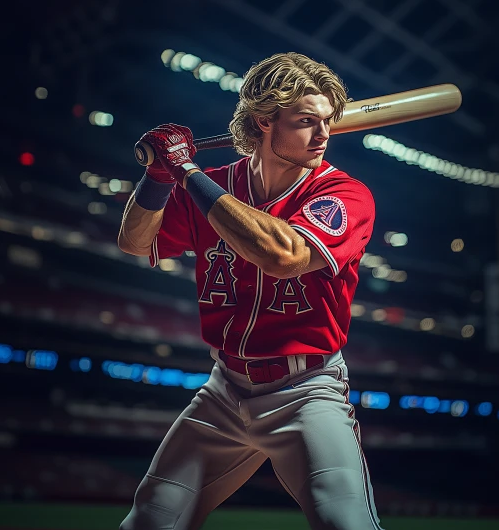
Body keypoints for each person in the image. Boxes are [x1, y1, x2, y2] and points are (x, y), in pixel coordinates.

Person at [118, 52, 384, 530]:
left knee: (345, 523)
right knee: (150, 521)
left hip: (306, 391)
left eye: (327, 120)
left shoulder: (344, 194)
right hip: (224, 389)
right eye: (306, 121)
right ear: (264, 121)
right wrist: (158, 179)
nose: (323, 134)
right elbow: (136, 242)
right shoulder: (214, 186)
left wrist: (188, 173)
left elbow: (281, 256)